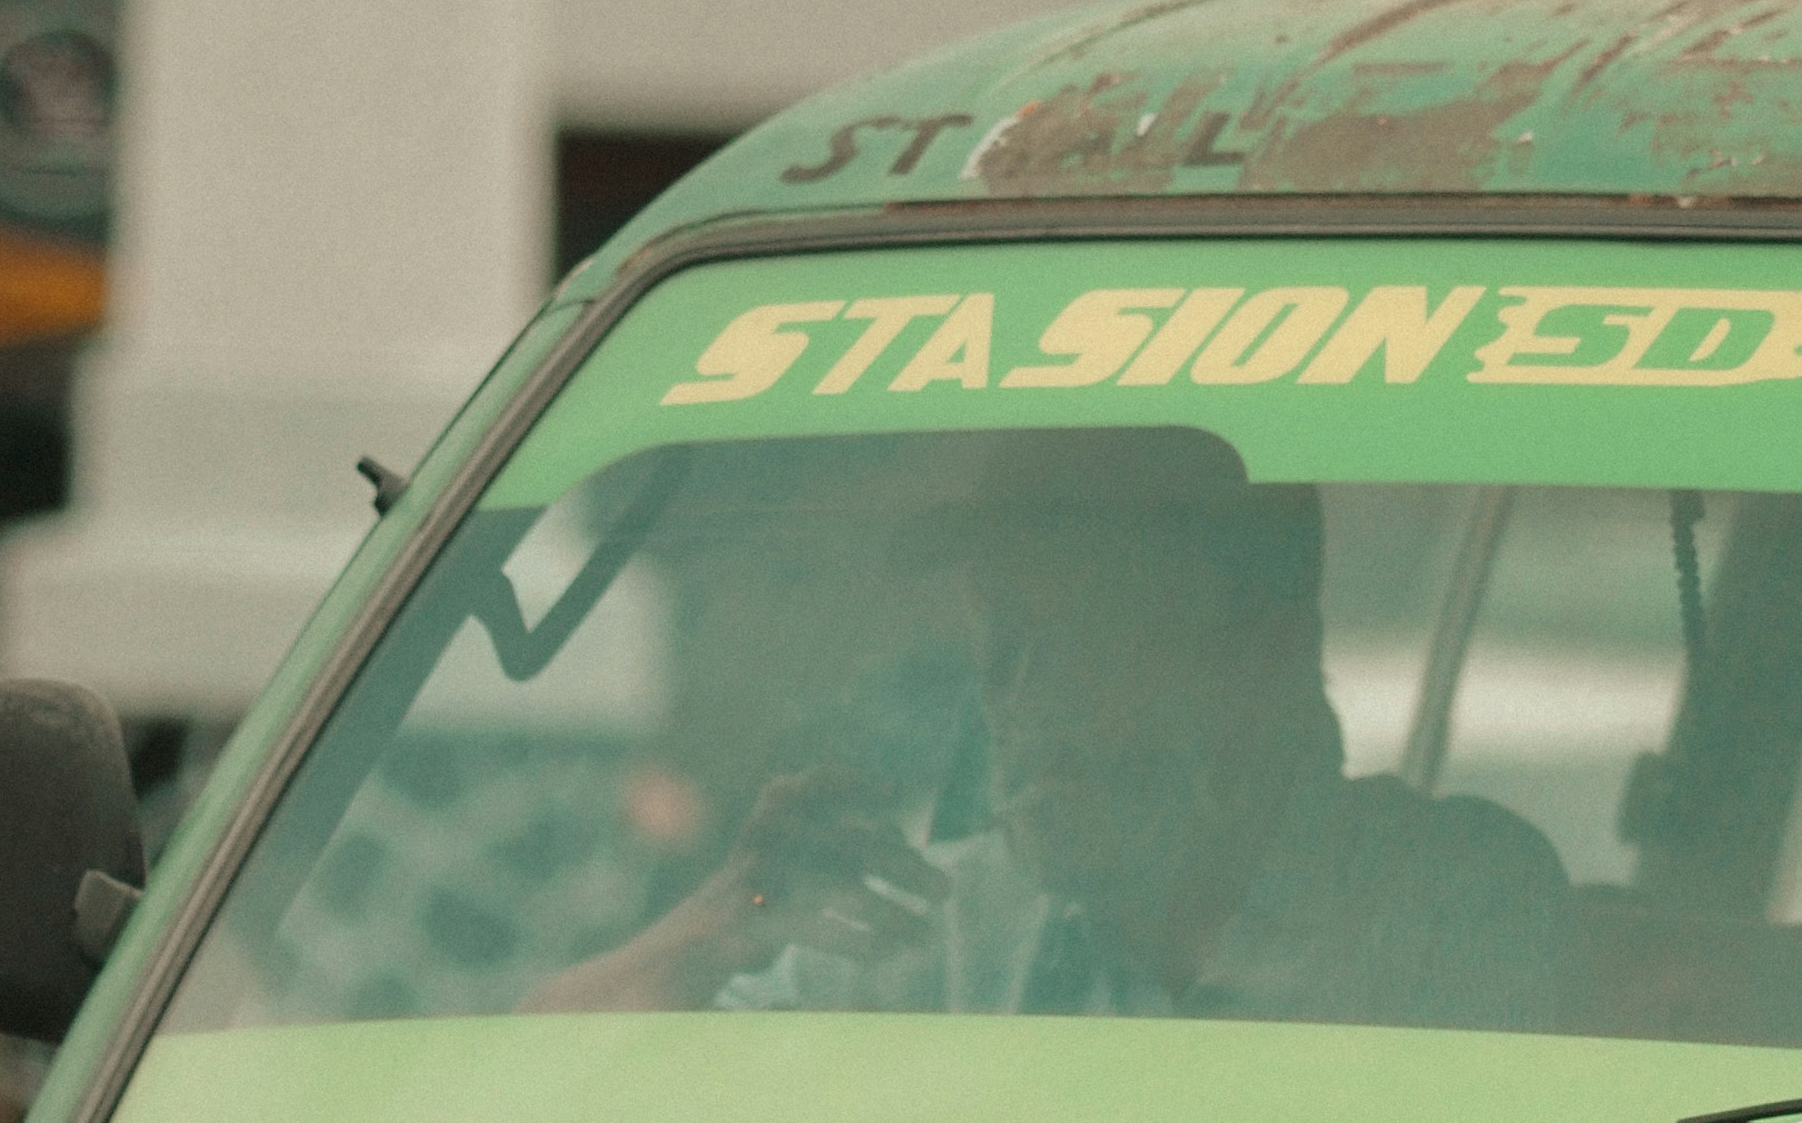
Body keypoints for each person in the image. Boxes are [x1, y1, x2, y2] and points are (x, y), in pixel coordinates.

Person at [537, 430, 1573, 1029]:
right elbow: (511, 1105)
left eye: (1061, 642)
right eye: (991, 649)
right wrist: (719, 928)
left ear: (1252, 652)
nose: (1010, 700)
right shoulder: (946, 921)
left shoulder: (1445, 906)